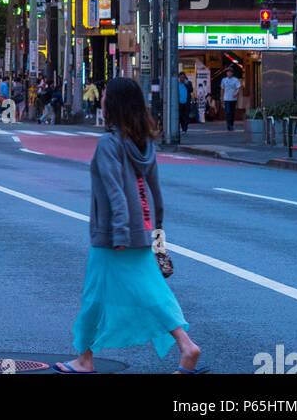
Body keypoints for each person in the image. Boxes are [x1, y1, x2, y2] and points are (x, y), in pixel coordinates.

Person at [54, 77, 205, 376]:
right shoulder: (143, 143)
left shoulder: (109, 143)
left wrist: (120, 233)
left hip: (114, 234)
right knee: (152, 291)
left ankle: (84, 360)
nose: (101, 99)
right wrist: (157, 230)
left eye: (106, 95)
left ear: (115, 104)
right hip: (142, 227)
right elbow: (155, 191)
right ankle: (186, 347)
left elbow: (114, 192)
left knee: (94, 296)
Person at [177, 71, 194, 136]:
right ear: (179, 78)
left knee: (186, 116)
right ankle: (183, 128)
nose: (182, 79)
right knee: (180, 116)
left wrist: (186, 84)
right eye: (181, 77)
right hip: (179, 102)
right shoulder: (177, 84)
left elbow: (191, 90)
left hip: (186, 102)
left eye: (183, 77)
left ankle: (185, 129)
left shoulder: (188, 83)